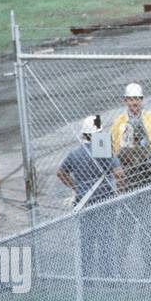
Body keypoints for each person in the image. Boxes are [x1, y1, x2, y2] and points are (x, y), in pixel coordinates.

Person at [57, 117, 124, 276]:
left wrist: (76, 186)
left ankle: (86, 277)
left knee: (86, 242)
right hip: (105, 200)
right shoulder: (104, 149)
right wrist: (118, 193)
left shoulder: (74, 153)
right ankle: (106, 276)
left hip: (83, 201)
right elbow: (119, 174)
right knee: (106, 240)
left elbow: (60, 172)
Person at [109, 83, 151, 190]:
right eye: (130, 99)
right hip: (129, 169)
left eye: (136, 99)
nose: (134, 102)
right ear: (125, 100)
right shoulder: (119, 121)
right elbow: (113, 145)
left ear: (141, 100)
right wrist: (117, 168)